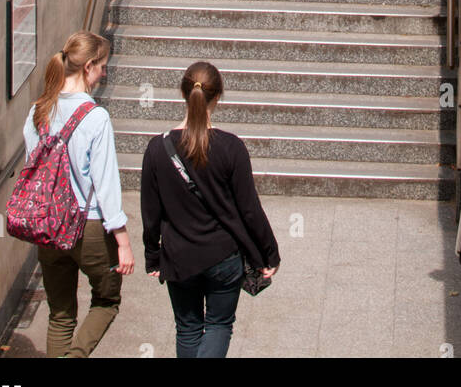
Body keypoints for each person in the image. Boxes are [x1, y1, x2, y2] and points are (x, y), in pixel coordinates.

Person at [140, 60, 280, 358]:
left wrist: (153, 256)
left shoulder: (157, 149)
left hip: (178, 256)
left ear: (183, 93)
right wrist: (269, 254)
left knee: (187, 328)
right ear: (218, 97)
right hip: (223, 255)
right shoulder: (231, 148)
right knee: (219, 325)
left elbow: (150, 212)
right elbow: (249, 209)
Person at [23, 30, 133, 358]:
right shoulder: (95, 118)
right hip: (90, 227)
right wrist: (123, 241)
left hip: (47, 227)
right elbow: (106, 185)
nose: (103, 73)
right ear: (87, 68)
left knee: (60, 314)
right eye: (101, 66)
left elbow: (35, 168)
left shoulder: (37, 112)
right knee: (107, 300)